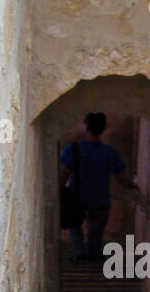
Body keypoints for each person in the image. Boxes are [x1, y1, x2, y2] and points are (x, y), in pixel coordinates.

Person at [59, 112, 140, 262]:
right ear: (102, 129)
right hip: (99, 199)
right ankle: (93, 253)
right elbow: (121, 177)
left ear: (87, 127)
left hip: (76, 196)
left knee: (74, 225)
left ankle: (78, 253)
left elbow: (63, 174)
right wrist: (134, 186)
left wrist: (59, 193)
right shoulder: (110, 153)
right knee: (96, 229)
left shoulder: (73, 149)